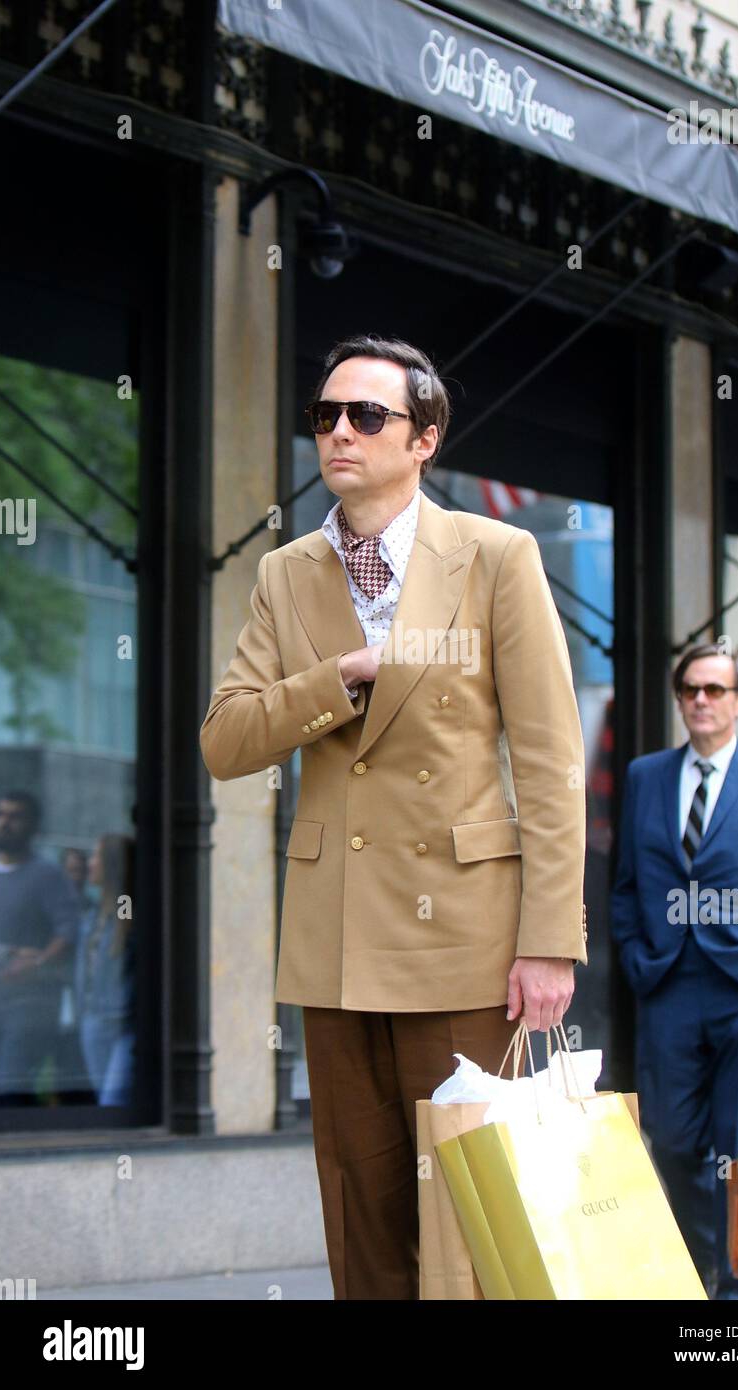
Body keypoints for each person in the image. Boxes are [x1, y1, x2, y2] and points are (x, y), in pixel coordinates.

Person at [200, 334, 587, 1300]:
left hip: (464, 938)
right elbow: (226, 739)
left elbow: (548, 760)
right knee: (361, 1213)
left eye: (366, 416)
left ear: (425, 438)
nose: (339, 431)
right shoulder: (285, 572)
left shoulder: (497, 555)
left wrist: (551, 941)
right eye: (325, 415)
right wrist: (336, 680)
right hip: (335, 941)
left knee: (475, 1214)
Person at [611, 644, 738, 1299]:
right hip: (667, 985)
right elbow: (626, 881)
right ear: (679, 699)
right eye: (692, 689)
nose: (702, 700)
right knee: (668, 1142)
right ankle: (705, 1264)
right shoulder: (645, 775)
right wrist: (636, 952)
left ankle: (737, 1297)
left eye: (716, 690)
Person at [0, 790, 82, 1104]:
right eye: (1, 814)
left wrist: (39, 962)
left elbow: (69, 931)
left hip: (29, 1005)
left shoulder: (48, 876)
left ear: (32, 825)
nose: (5, 823)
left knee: (8, 1089)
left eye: (15, 816)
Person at [75, 834, 137, 1107]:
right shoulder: (92, 916)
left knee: (113, 1100)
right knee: (105, 1100)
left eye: (97, 856)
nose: (90, 863)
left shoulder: (129, 915)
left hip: (123, 1023)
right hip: (92, 1020)